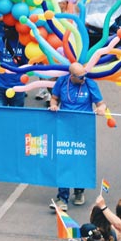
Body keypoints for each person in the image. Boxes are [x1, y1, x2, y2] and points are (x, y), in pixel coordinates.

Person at [50, 62, 107, 209]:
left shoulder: (89, 84)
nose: (83, 78)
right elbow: (54, 98)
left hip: (83, 129)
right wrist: (54, 105)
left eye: (84, 75)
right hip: (64, 127)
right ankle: (62, 198)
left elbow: (101, 103)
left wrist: (101, 109)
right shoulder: (62, 81)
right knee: (64, 159)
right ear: (72, 76)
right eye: (80, 77)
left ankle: (79, 191)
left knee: (80, 159)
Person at [0, 23, 29, 106]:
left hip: (18, 88)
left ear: (16, 29)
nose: (4, 30)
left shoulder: (24, 44)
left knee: (16, 116)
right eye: (4, 28)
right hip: (1, 87)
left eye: (7, 29)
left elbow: (30, 64)